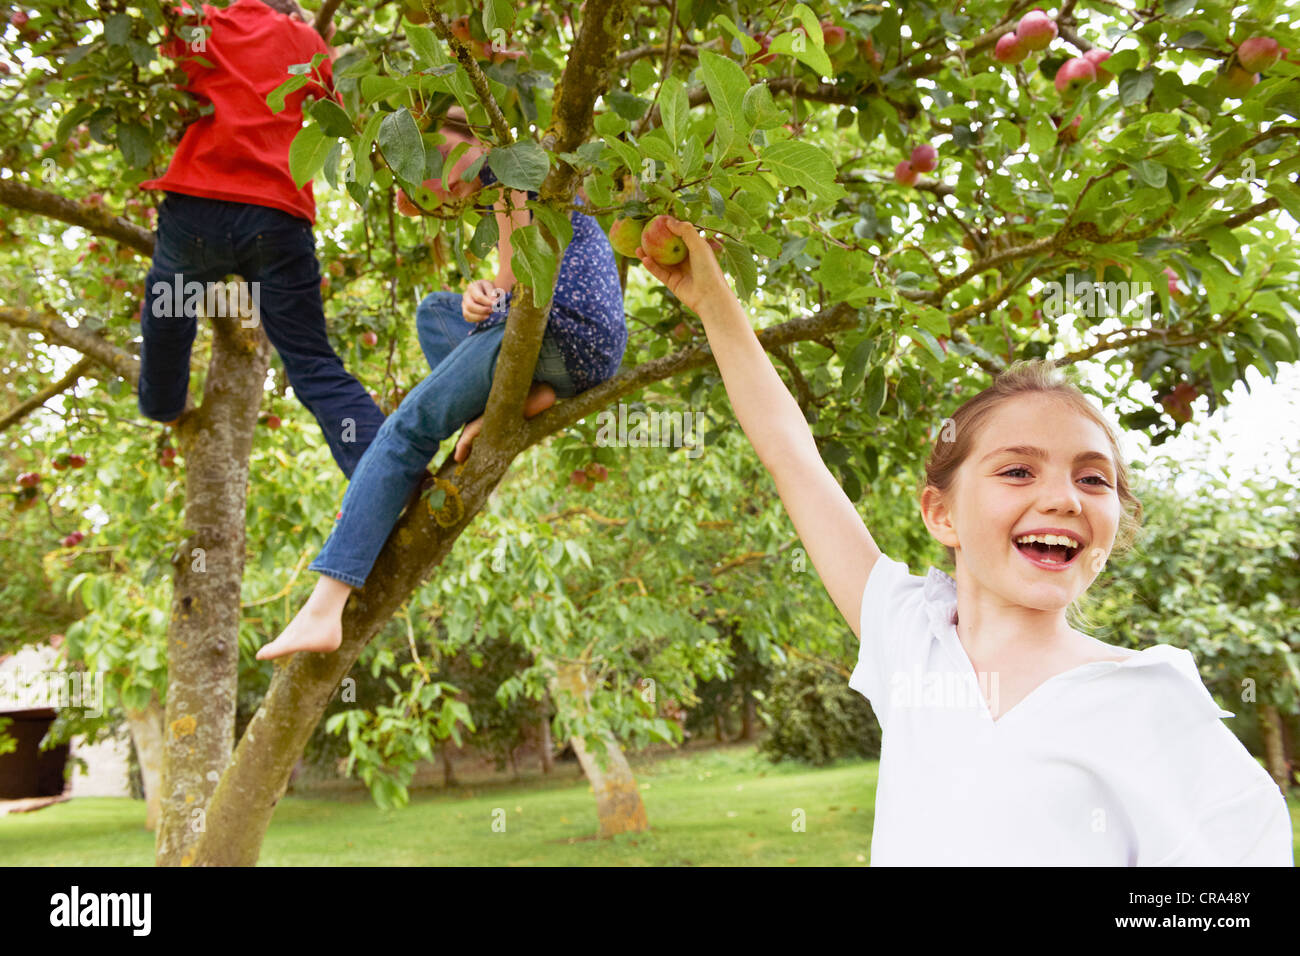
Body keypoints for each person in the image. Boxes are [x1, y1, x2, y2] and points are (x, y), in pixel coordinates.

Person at [633, 218, 1291, 866]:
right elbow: (790, 454)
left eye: (1093, 477)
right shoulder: (912, 642)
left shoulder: (1151, 698)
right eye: (1017, 470)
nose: (1064, 497)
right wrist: (711, 295)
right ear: (941, 514)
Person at [254, 112, 627, 661]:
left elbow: (520, 285)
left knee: (408, 429)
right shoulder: (514, 182)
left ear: (475, 135)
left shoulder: (511, 173)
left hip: (559, 331)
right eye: (418, 169)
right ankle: (520, 399)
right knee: (436, 312)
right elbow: (512, 283)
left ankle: (325, 605)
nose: (435, 172)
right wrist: (481, 296)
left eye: (438, 153)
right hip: (585, 347)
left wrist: (494, 297)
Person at [136, 0, 387, 479]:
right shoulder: (305, 42)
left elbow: (161, 38)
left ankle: (164, 403)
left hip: (196, 212)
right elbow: (341, 104)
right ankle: (380, 466)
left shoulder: (199, 22)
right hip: (276, 217)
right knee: (311, 360)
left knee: (168, 312)